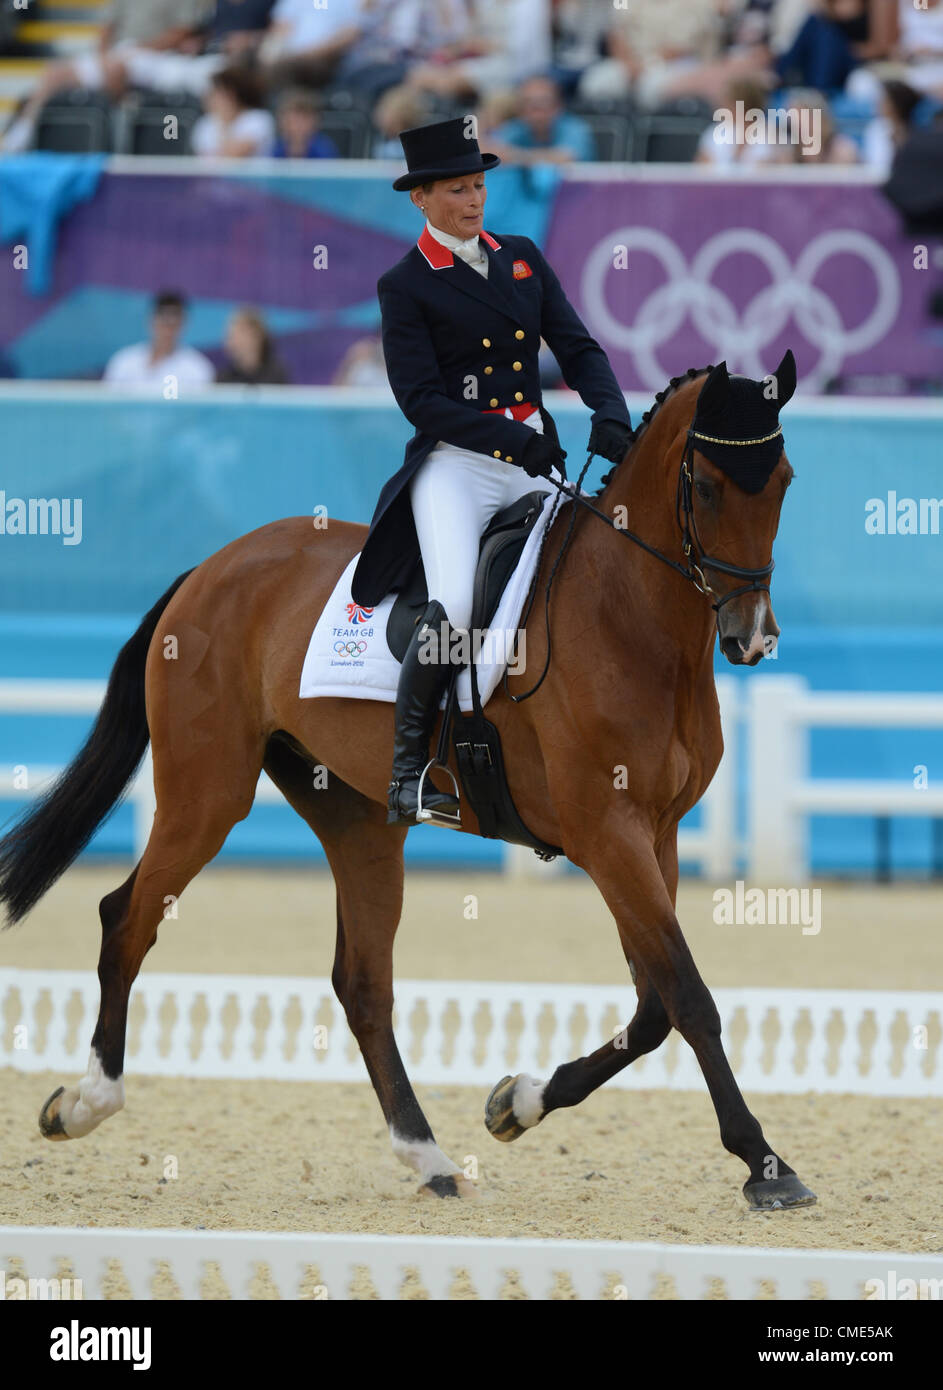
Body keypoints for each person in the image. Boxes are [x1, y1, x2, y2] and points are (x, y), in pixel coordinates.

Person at [349, 117, 632, 827]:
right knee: (453, 602)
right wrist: (513, 443)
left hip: (534, 455)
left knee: (588, 575)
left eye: (478, 185)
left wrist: (610, 414)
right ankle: (408, 773)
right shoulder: (405, 283)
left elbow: (577, 347)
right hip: (459, 467)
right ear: (421, 199)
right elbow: (421, 402)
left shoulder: (523, 258)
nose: (473, 201)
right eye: (456, 190)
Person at [103, 290, 214, 390]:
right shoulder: (124, 361)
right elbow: (109, 407)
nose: (167, 329)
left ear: (183, 324)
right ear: (151, 320)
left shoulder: (196, 368)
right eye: (163, 321)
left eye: (174, 323)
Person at [487, 74, 595, 165]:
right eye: (528, 102)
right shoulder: (516, 128)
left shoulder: (575, 128)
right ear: (519, 108)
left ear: (558, 105)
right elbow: (494, 154)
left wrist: (516, 156)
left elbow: (567, 158)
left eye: (543, 101)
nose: (536, 108)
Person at [190, 66, 276, 156]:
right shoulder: (205, 123)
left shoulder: (258, 119)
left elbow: (232, 156)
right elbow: (205, 162)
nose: (209, 97)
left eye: (216, 92)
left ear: (231, 95)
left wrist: (224, 119)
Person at [216, 308, 290, 383]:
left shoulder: (277, 375)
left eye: (237, 335)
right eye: (230, 336)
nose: (231, 342)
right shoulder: (224, 378)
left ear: (256, 336)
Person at [272, 89, 338, 158]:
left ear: (314, 122)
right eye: (292, 121)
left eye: (302, 122)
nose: (297, 127)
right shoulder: (276, 146)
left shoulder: (324, 147)